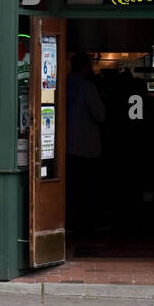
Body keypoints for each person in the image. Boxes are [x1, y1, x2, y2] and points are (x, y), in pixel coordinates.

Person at [66, 51, 106, 233]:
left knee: (72, 188)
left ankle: (70, 222)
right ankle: (88, 224)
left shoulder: (63, 83)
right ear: (86, 66)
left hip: (66, 145)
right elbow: (100, 115)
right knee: (87, 188)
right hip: (86, 147)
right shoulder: (88, 87)